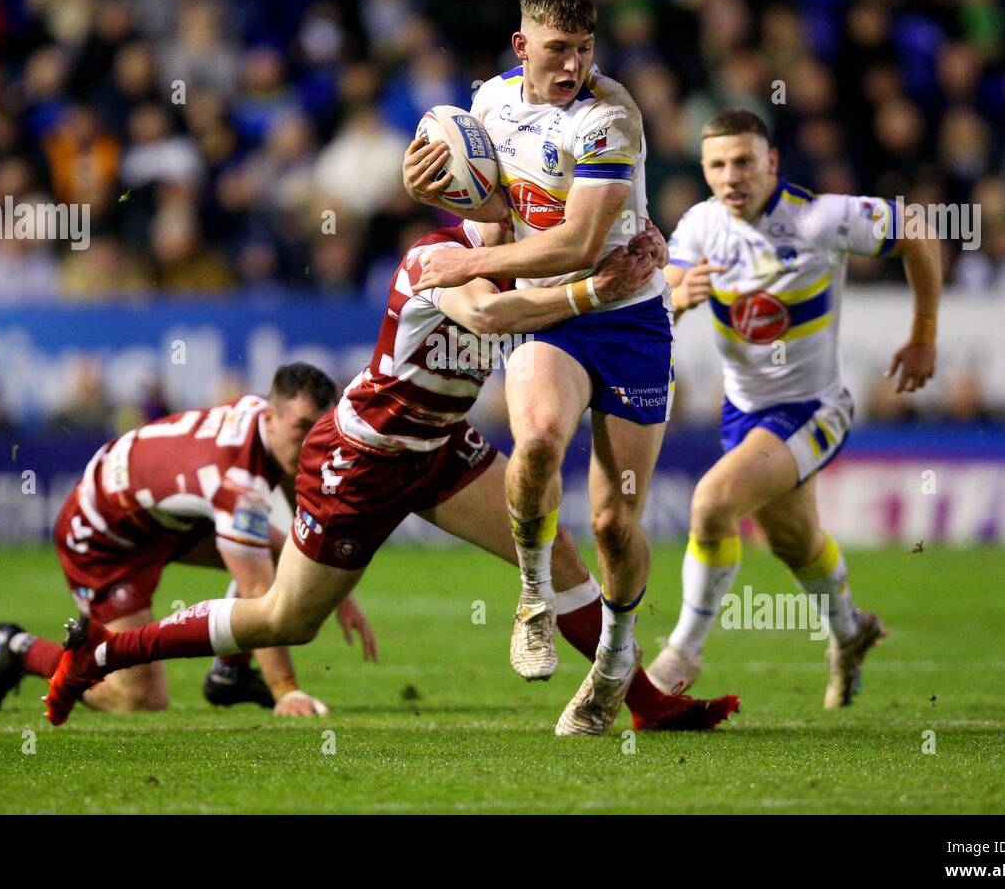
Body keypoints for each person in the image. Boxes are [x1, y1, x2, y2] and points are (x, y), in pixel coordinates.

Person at [43, 217, 738, 735]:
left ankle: (648, 705)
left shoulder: (532, 256)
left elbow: (580, 313)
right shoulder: (435, 256)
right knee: (287, 618)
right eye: (508, 184)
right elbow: (492, 313)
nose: (527, 197)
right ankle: (102, 653)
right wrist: (596, 287)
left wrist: (656, 284)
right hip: (362, 459)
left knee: (552, 549)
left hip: (437, 447)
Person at [408, 0, 672, 735]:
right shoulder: (489, 104)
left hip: (627, 317)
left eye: (585, 49)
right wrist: (432, 192)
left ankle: (615, 660)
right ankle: (534, 595)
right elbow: (497, 211)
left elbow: (584, 244)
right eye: (559, 49)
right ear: (523, 46)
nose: (574, 65)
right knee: (537, 443)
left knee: (616, 522)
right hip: (551, 317)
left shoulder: (609, 117)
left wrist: (461, 264)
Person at [647, 107, 942, 708]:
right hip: (744, 413)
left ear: (772, 163)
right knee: (795, 544)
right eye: (718, 165)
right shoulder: (701, 225)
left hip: (811, 409)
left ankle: (682, 653)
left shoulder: (822, 218)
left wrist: (923, 336)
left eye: (744, 162)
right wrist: (677, 299)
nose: (732, 176)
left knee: (711, 504)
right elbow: (660, 299)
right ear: (704, 170)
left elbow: (917, 229)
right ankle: (851, 631)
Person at [0, 364, 375, 718]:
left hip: (159, 517)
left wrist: (332, 588)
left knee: (274, 552)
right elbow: (257, 591)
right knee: (139, 698)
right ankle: (19, 648)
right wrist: (286, 691)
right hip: (104, 535)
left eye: (317, 429)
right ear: (271, 417)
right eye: (302, 429)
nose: (310, 443)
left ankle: (230, 675)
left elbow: (299, 507)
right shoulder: (236, 480)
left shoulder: (260, 418)